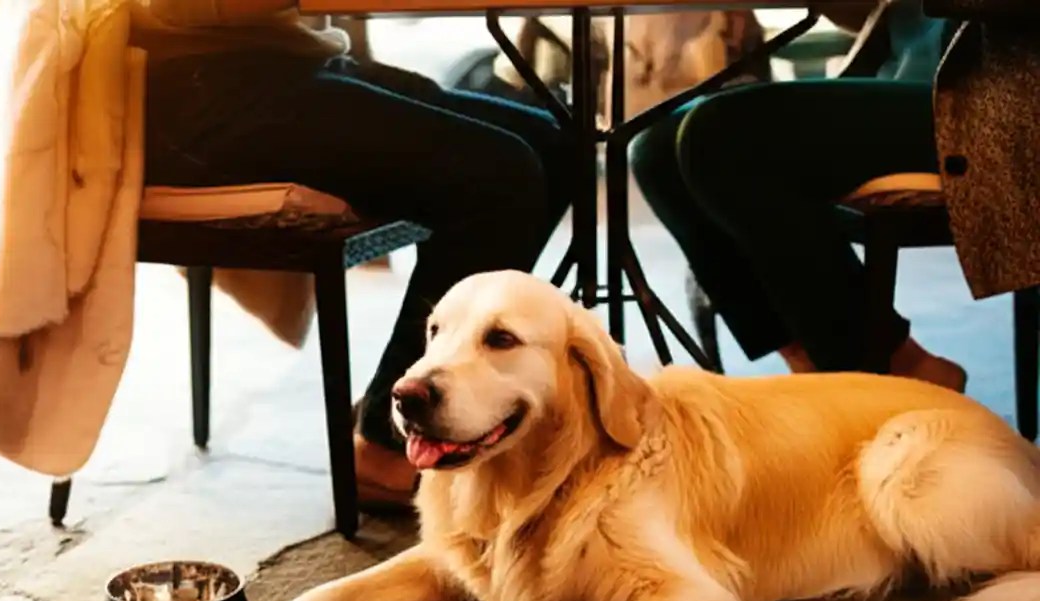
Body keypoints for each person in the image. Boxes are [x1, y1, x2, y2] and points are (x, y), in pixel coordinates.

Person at [138, 2, 574, 508]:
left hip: (284, 60)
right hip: (197, 89)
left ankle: (418, 398)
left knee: (555, 142)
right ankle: (387, 447)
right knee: (502, 175)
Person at [629, 0, 966, 390]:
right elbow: (863, 13)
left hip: (983, 95)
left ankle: (876, 370)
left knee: (722, 135)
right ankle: (815, 360)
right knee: (656, 148)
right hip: (902, 75)